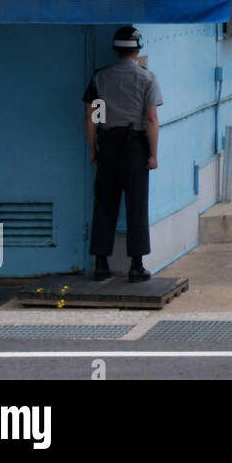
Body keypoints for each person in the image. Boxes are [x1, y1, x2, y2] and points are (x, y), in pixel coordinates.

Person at [83, 25, 162, 283]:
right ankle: (136, 266)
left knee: (104, 204)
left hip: (108, 145)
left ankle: (101, 264)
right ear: (137, 50)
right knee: (136, 205)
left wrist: (93, 149)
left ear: (116, 50)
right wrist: (153, 154)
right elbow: (150, 119)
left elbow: (91, 117)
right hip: (135, 147)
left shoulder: (100, 77)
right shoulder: (146, 79)